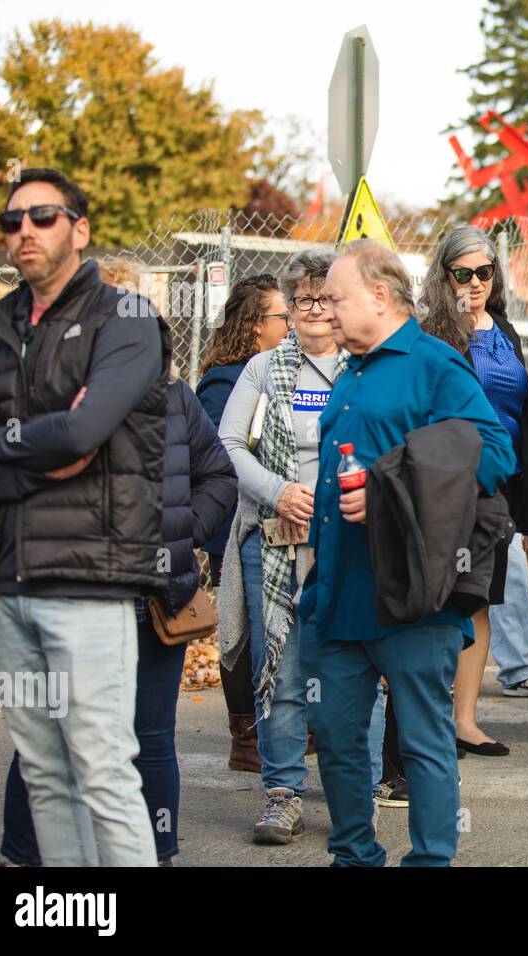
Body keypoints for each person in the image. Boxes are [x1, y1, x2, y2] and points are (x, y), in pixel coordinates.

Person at [0, 167, 167, 865]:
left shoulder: (128, 320)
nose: (24, 230)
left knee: (103, 771)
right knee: (45, 774)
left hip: (88, 579)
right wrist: (34, 448)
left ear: (78, 230)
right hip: (5, 586)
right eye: (13, 220)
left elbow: (86, 436)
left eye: (43, 216)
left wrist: (7, 447)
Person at [299, 239, 513, 866]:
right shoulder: (350, 371)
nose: (324, 311)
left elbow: (495, 454)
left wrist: (391, 486)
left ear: (380, 297)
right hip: (337, 596)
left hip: (415, 596)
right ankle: (354, 857)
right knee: (337, 740)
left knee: (423, 742)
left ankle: (430, 860)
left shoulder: (434, 364)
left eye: (335, 299)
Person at [2, 330, 238, 865]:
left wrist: (180, 530)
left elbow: (218, 475)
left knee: (150, 739)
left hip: (152, 599)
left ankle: (156, 855)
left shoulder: (175, 395)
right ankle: (22, 857)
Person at [216, 249, 366, 843]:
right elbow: (228, 445)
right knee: (279, 668)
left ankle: (359, 789)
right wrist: (279, 493)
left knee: (355, 663)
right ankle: (282, 794)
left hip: (348, 537)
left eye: (325, 299)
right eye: (302, 300)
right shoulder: (263, 369)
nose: (313, 310)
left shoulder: (363, 367)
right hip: (275, 537)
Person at [419, 225, 528, 758]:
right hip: (445, 484)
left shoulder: (503, 327)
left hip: (498, 486)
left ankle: (465, 720)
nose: (475, 282)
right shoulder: (430, 332)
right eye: (464, 272)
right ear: (445, 274)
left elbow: (523, 414)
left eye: (485, 271)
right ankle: (427, 720)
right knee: (439, 601)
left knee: (480, 599)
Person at [196, 274, 288, 773]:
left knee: (278, 624)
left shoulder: (289, 370)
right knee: (244, 624)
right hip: (235, 523)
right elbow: (215, 456)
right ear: (255, 326)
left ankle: (285, 722)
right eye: (282, 316)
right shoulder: (225, 380)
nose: (293, 324)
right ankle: (246, 736)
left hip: (279, 518)